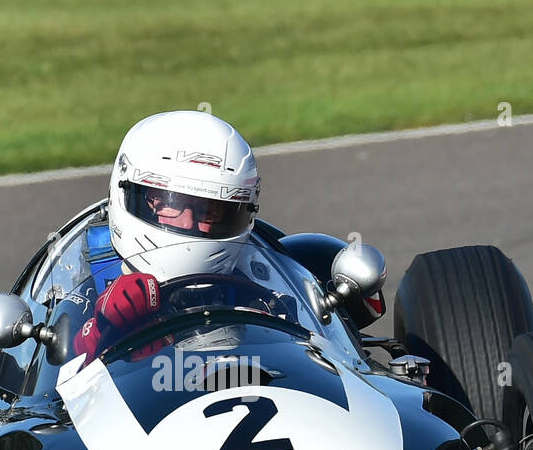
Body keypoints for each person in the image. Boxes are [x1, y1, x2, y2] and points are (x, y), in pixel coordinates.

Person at [73, 110, 381, 363]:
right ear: (128, 192)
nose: (189, 222)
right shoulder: (79, 279)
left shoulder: (271, 283)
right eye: (169, 204)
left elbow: (335, 358)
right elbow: (53, 385)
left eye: (211, 212)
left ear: (241, 212)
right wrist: (101, 330)